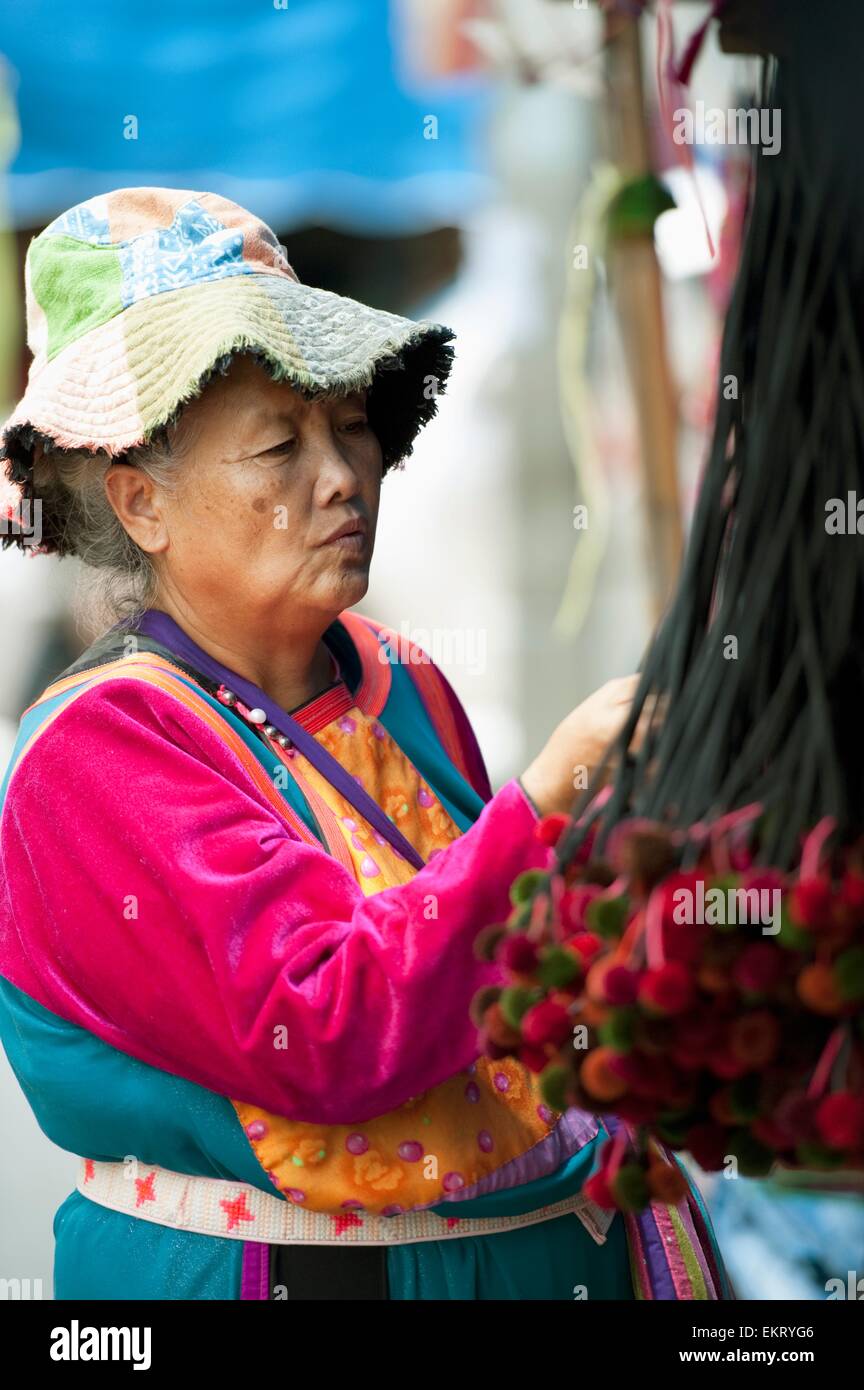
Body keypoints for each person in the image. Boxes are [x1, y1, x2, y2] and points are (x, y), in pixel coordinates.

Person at [0, 188, 727, 1300]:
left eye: (349, 427)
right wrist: (546, 804)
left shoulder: (403, 681)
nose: (341, 477)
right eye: (279, 445)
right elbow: (328, 1029)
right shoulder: (99, 756)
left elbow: (496, 977)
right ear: (142, 502)